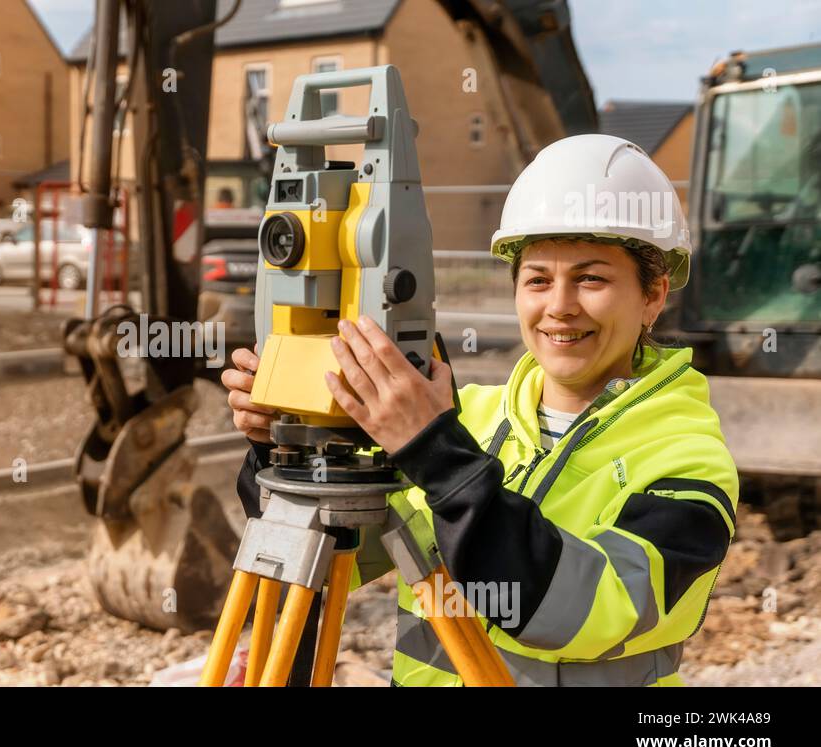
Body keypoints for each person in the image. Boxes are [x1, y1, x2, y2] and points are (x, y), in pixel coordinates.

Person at [224, 134, 739, 686]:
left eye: (591, 278)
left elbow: (577, 613)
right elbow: (324, 566)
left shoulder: (688, 462)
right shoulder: (465, 419)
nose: (559, 307)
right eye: (538, 280)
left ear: (654, 294)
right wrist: (289, 448)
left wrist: (438, 457)